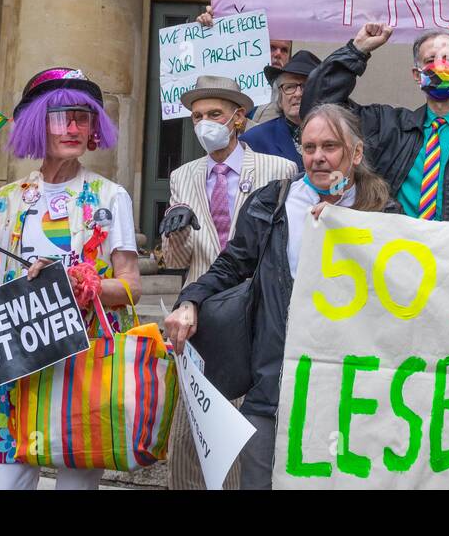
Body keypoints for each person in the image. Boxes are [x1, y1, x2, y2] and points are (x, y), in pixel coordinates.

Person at [162, 104, 395, 489]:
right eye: (309, 147)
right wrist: (190, 301)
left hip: (350, 392)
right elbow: (231, 265)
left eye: (330, 147)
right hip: (271, 386)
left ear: (355, 153)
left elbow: (397, 290)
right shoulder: (275, 201)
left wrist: (348, 225)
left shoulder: (384, 212)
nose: (318, 157)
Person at [0, 67, 142, 490]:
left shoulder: (109, 196)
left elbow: (130, 287)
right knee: (7, 485)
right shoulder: (6, 201)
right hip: (17, 368)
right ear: (35, 123)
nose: (72, 127)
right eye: (58, 116)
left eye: (82, 117)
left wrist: (81, 284)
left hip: (86, 369)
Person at [156, 75, 297, 490]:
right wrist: (175, 233)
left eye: (214, 114)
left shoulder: (279, 169)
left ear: (238, 118)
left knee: (245, 430)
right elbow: (179, 263)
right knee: (190, 433)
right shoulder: (182, 175)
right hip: (197, 315)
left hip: (254, 312)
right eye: (197, 116)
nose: (204, 124)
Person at [300, 22, 449, 222]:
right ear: (417, 74)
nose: (439, 68)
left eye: (448, 60)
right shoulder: (387, 128)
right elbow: (319, 106)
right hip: (395, 253)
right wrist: (356, 50)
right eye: (430, 61)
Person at [197, 3, 292, 125]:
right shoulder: (231, 77)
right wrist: (210, 32)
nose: (278, 54)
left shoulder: (291, 91)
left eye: (284, 50)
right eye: (272, 47)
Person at [243, 50, 321, 169]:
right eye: (290, 87)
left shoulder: (337, 135)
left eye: (305, 86)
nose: (298, 93)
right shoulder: (254, 139)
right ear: (279, 97)